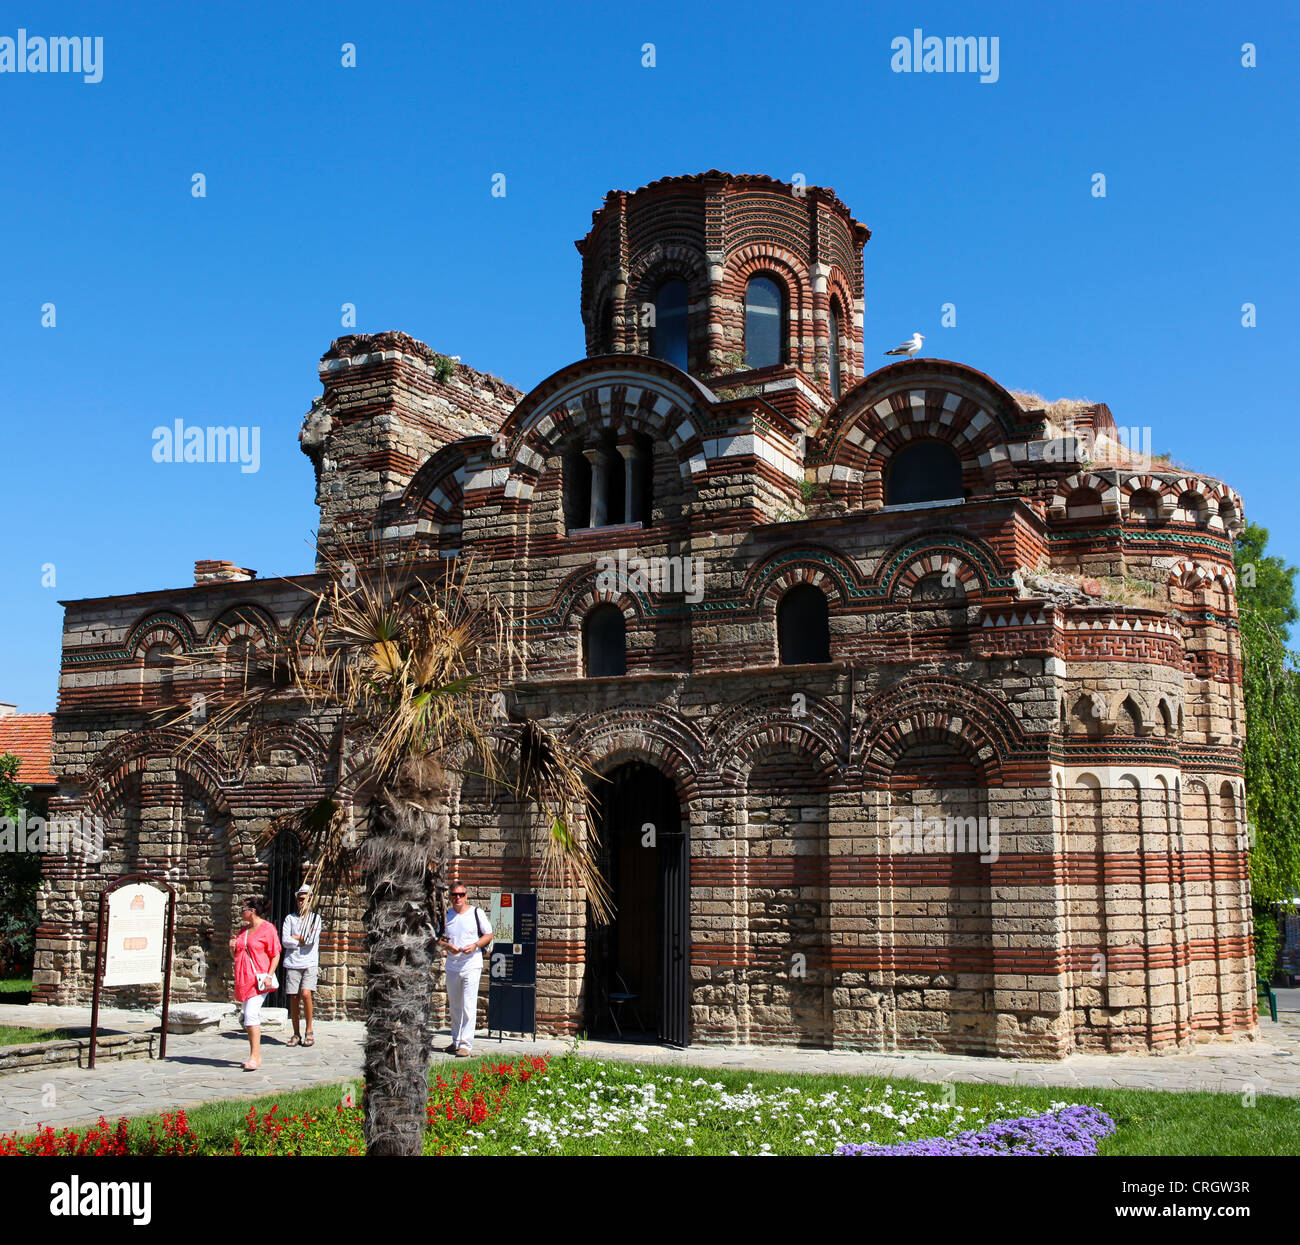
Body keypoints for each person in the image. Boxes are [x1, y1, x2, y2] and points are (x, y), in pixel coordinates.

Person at [437, 884, 492, 1057]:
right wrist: (448, 946)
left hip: (471, 964)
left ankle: (466, 1044)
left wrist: (475, 946)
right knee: (454, 1005)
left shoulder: (476, 913)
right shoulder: (446, 916)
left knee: (468, 1005)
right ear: (450, 897)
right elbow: (437, 938)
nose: (458, 897)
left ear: (466, 896)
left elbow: (488, 934)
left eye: (461, 894)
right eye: (454, 894)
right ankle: (456, 1040)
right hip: (453, 965)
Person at [230, 896, 281, 1071]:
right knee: (248, 1017)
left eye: (243, 909)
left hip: (259, 980)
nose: (241, 912)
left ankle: (254, 1057)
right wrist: (232, 948)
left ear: (252, 911)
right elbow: (237, 957)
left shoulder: (268, 929)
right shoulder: (243, 931)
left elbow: (275, 953)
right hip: (244, 979)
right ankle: (256, 1056)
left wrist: (269, 975)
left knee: (251, 1014)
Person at [281, 884, 320, 1047]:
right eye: (299, 899)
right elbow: (285, 940)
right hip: (293, 962)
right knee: (294, 997)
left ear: (310, 900)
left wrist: (296, 938)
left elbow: (311, 940)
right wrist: (300, 939)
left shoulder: (315, 918)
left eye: (305, 899)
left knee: (306, 994)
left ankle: (309, 1030)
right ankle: (296, 1033)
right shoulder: (290, 919)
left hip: (309, 962)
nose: (301, 902)